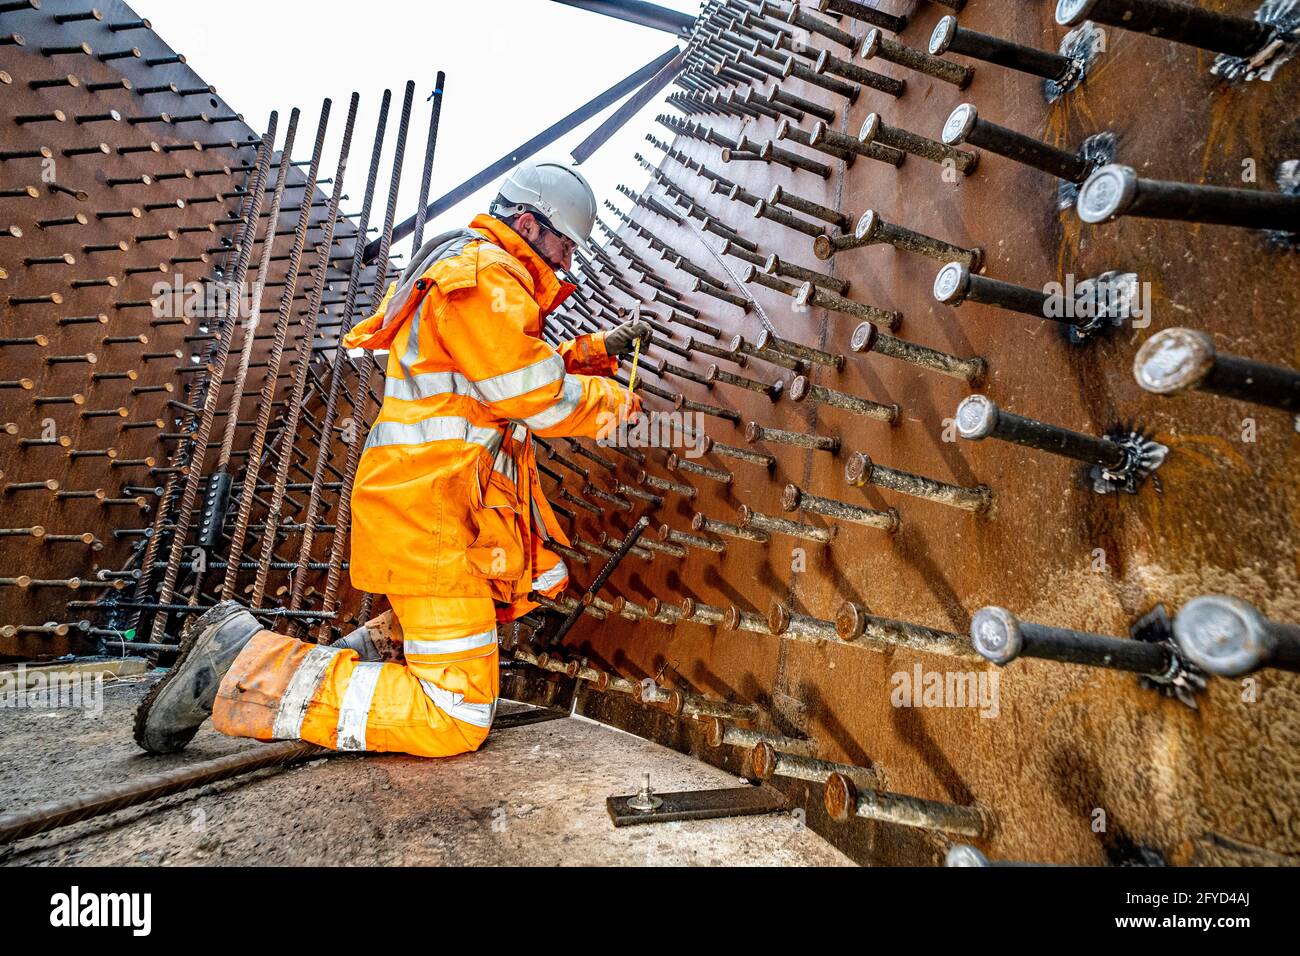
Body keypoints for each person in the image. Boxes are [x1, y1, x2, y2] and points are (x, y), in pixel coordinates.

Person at [135, 161, 650, 758]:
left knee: (431, 635)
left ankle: (331, 656)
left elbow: (498, 369)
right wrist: (618, 401)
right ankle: (245, 667)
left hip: (433, 510)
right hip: (435, 517)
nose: (567, 264)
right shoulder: (486, 275)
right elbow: (532, 395)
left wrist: (591, 353)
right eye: (565, 245)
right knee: (452, 714)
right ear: (531, 225)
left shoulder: (477, 276)